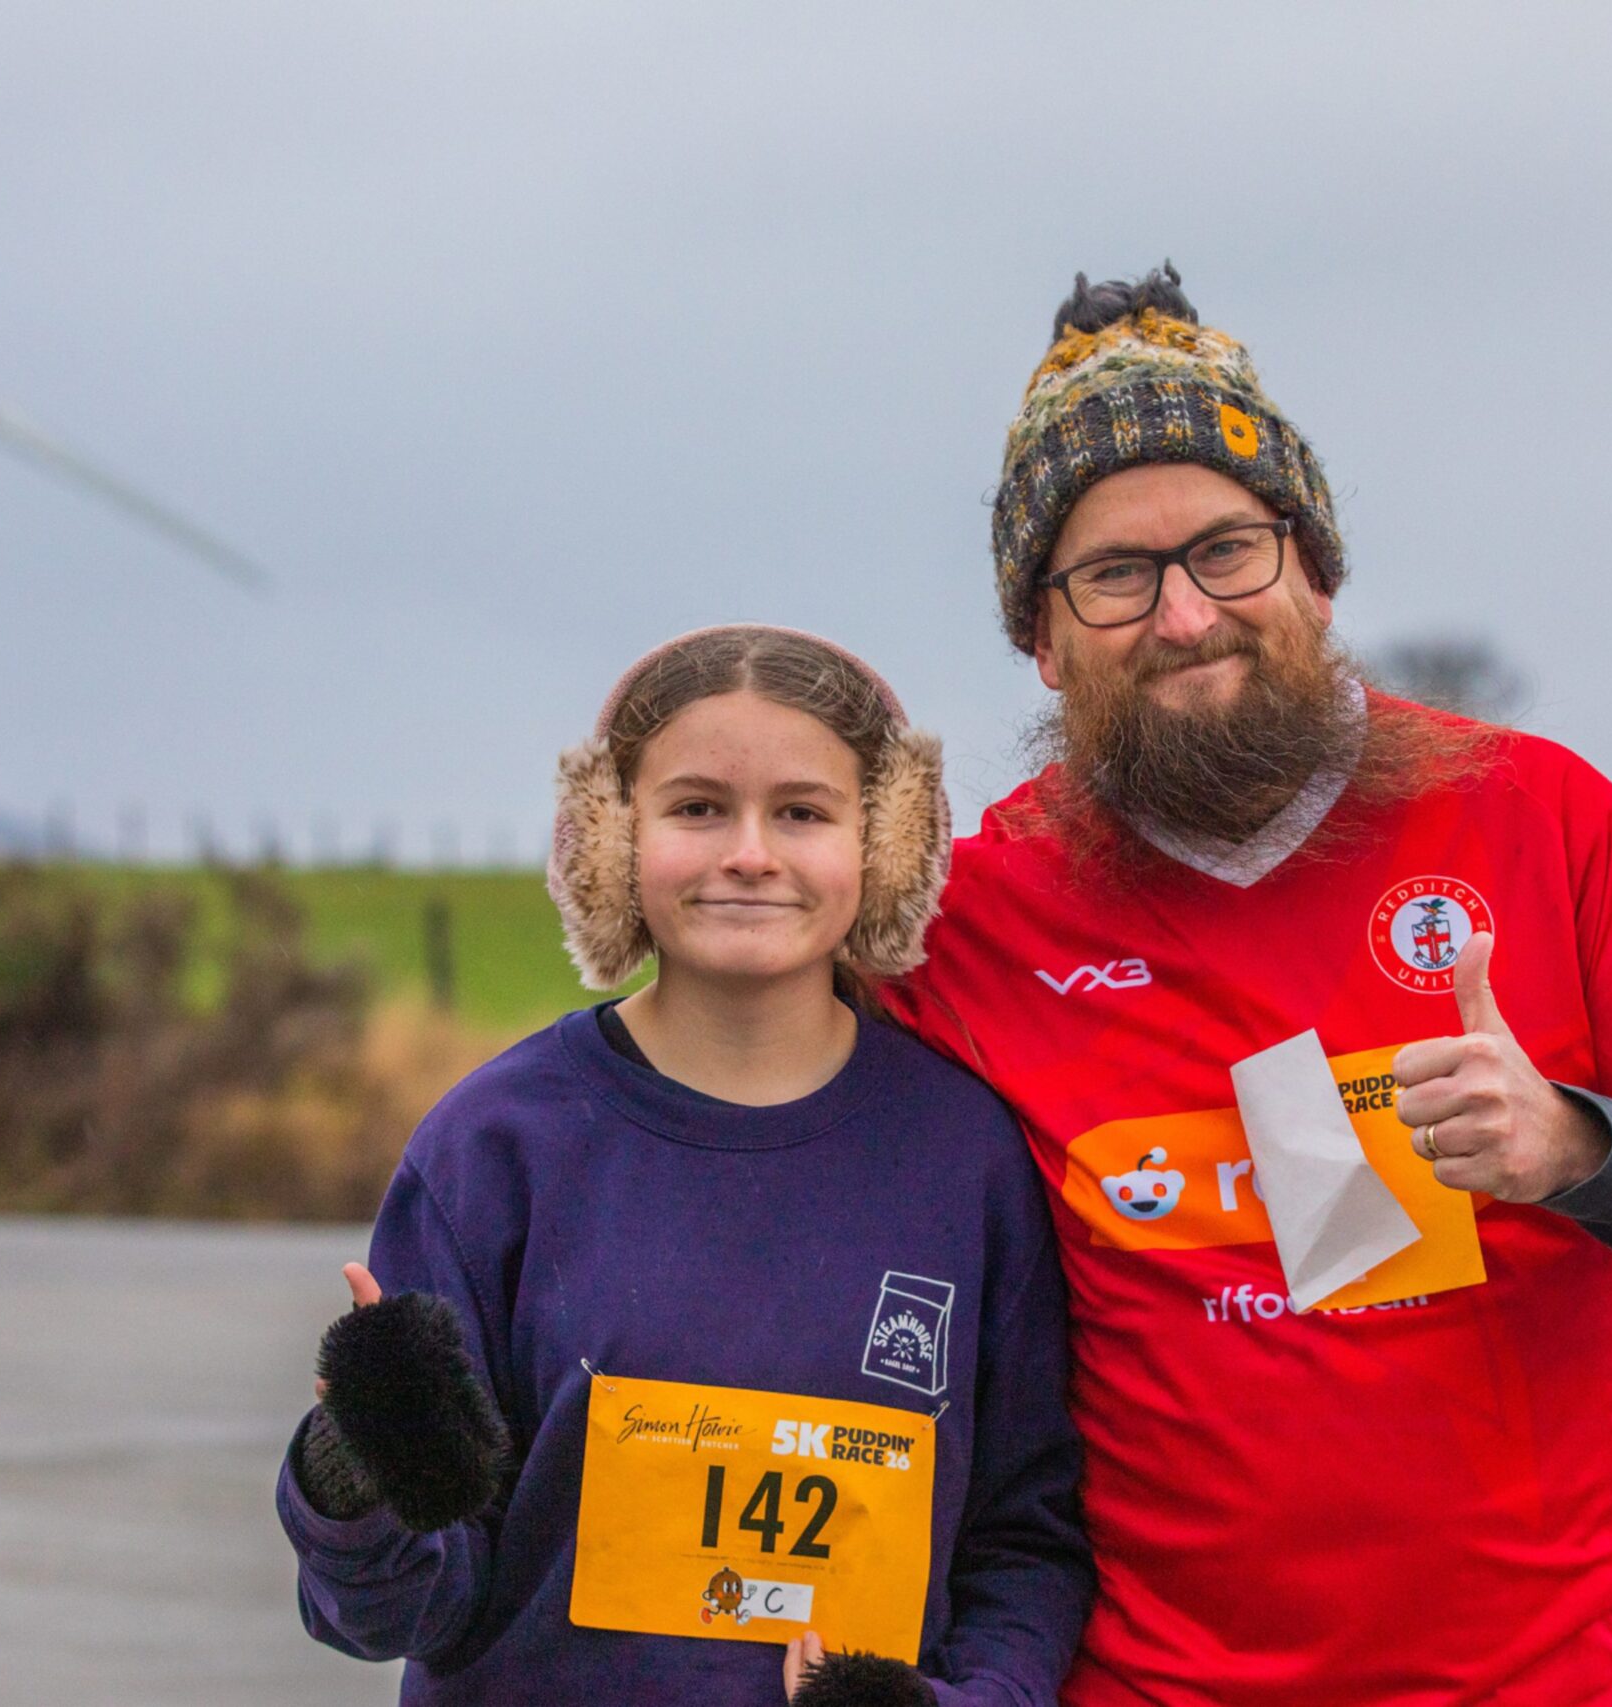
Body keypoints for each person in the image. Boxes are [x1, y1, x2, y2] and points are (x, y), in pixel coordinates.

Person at [882, 265, 1612, 1706]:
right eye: (1114, 576)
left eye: (1228, 550)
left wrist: (1577, 1147)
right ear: (1041, 634)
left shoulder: (1539, 816)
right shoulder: (969, 913)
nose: (1186, 616)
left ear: (1314, 567)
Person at [275, 625, 1092, 1706]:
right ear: (610, 839)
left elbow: (1023, 1544)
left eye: (802, 812)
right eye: (697, 808)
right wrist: (354, 1479)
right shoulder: (495, 1148)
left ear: (887, 844)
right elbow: (397, 1613)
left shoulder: (966, 1160)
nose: (748, 852)